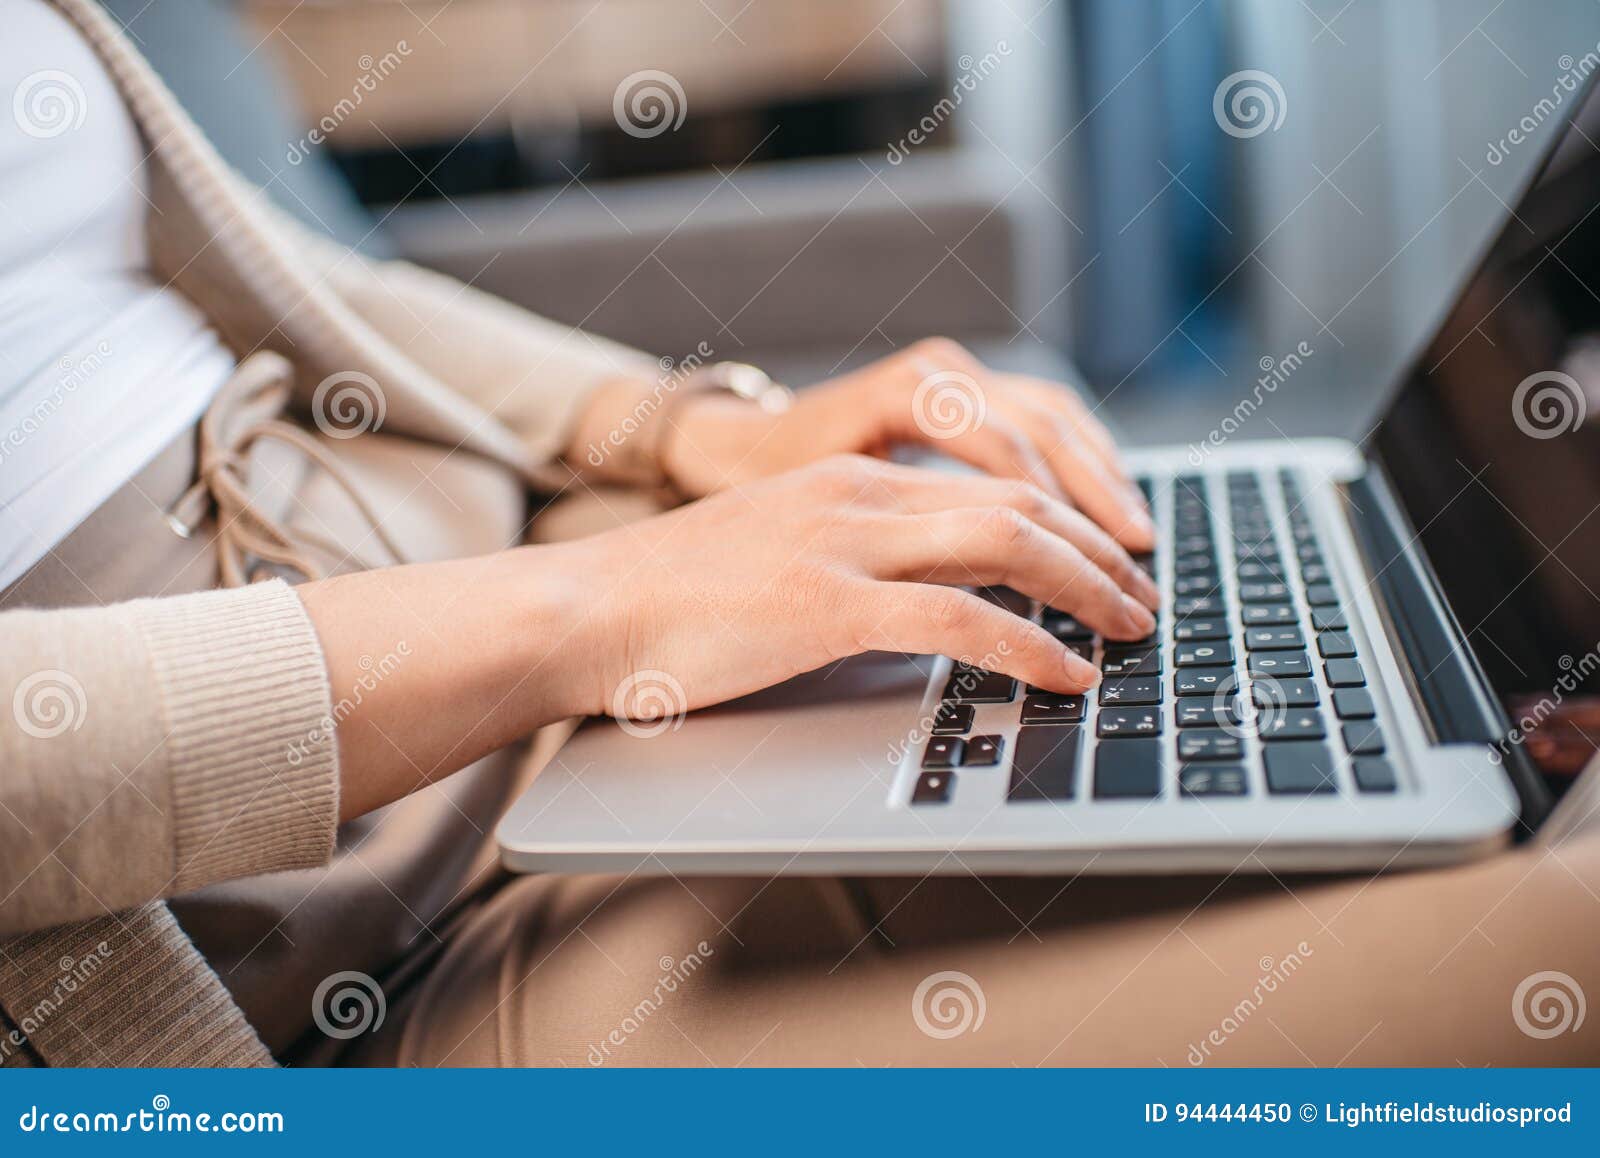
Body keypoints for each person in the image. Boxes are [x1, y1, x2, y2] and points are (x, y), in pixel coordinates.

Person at [2, 0, 1595, 1069]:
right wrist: (599, 612)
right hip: (391, 934)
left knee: (1384, 701)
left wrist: (695, 430)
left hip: (587, 600)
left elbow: (291, 280)